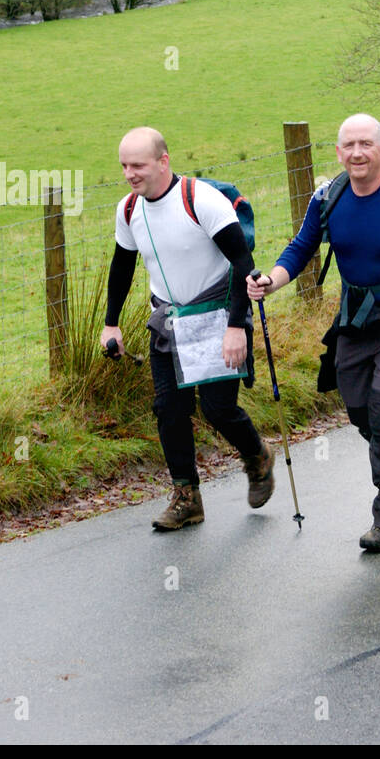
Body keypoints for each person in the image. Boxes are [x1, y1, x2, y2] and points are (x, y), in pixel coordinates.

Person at [247, 113, 380, 553]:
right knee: (359, 406)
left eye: (367, 144)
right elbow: (302, 247)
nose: (357, 152)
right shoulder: (328, 196)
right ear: (339, 153)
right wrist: (271, 280)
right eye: (349, 145)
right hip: (358, 315)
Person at [101, 127, 276, 531]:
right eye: (124, 165)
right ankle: (187, 497)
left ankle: (256, 455)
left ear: (163, 161)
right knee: (169, 409)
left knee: (217, 408)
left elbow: (241, 263)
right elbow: (122, 266)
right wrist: (111, 323)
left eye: (138, 165)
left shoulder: (201, 200)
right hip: (168, 321)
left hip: (218, 315)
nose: (129, 173)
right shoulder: (129, 210)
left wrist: (236, 327)